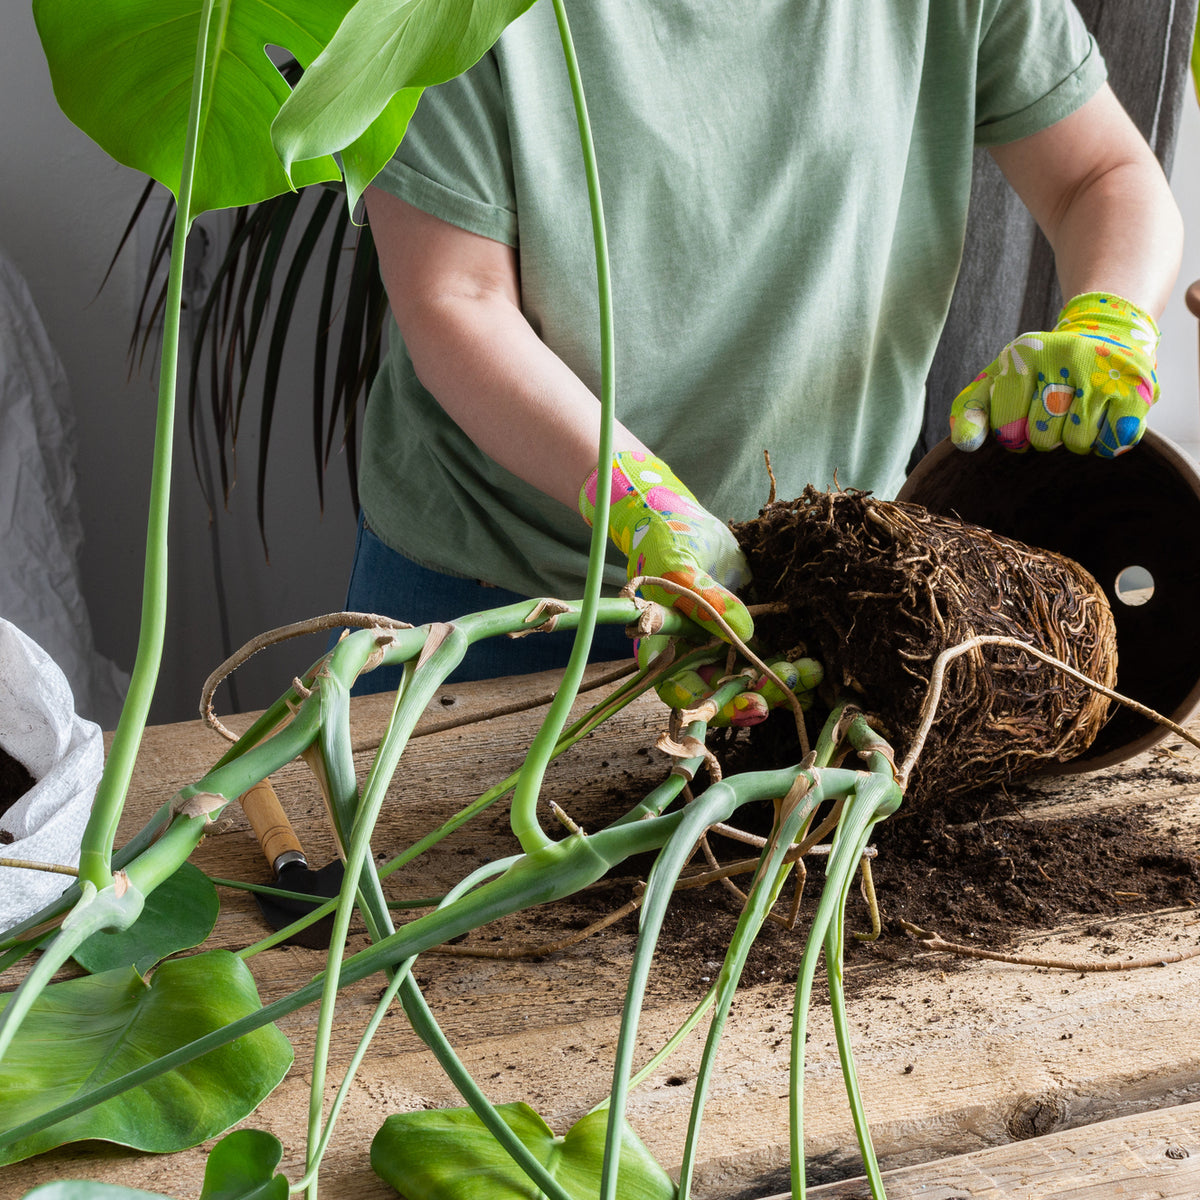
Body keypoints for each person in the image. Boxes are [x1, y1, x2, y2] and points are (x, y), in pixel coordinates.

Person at [340, 0, 1183, 712]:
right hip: (506, 590)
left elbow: (1100, 174)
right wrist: (640, 503)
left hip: (827, 587)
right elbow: (457, 297)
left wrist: (1109, 319)